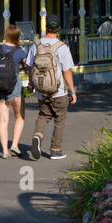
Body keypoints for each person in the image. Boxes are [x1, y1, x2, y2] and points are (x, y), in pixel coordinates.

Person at [24, 15, 77, 161]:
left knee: (43, 116)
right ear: (58, 29)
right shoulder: (62, 47)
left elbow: (30, 67)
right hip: (58, 91)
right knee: (60, 120)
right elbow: (67, 71)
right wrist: (72, 91)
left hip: (41, 90)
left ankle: (37, 136)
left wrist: (30, 84)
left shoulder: (36, 45)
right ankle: (56, 150)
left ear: (46, 27)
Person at [0, 25, 29, 158]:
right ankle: (14, 145)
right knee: (19, 117)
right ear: (17, 37)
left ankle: (4, 151)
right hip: (14, 87)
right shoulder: (21, 51)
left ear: (6, 35)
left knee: (3, 121)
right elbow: (28, 67)